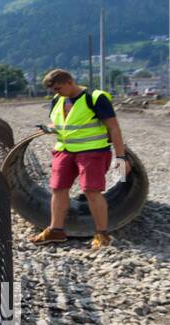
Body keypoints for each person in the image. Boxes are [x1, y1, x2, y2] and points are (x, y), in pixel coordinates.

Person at [29, 69, 129, 250]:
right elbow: (62, 125)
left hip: (92, 152)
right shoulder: (58, 100)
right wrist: (48, 128)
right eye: (53, 90)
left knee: (92, 191)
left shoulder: (95, 98)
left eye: (59, 88)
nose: (56, 92)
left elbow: (114, 128)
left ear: (69, 82)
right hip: (64, 151)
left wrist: (121, 157)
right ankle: (56, 231)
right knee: (58, 189)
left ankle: (102, 234)